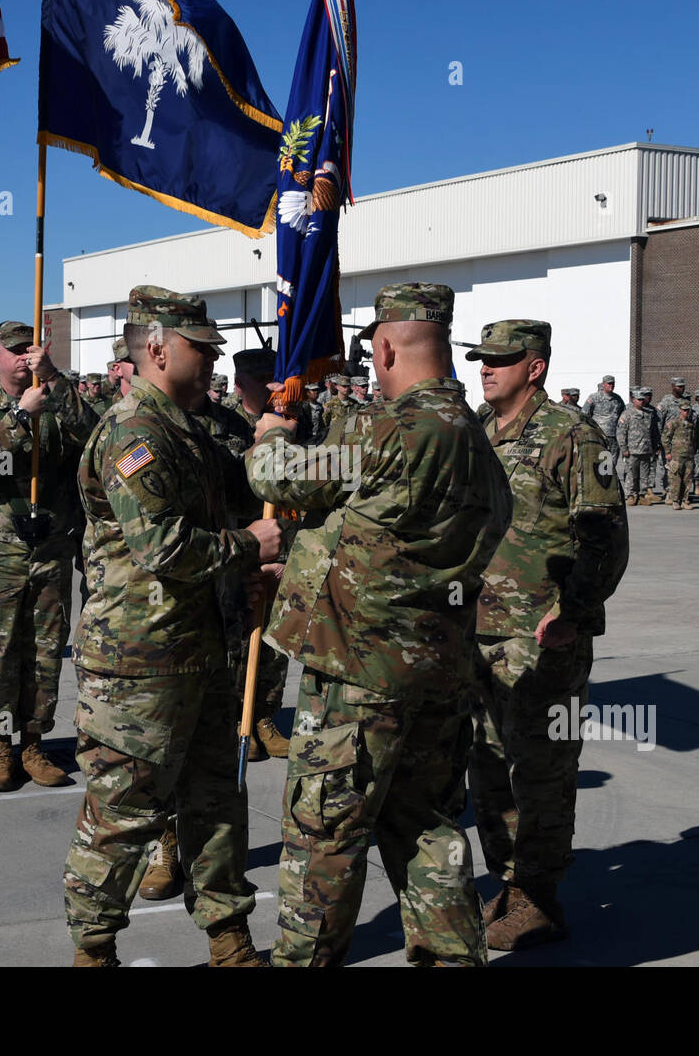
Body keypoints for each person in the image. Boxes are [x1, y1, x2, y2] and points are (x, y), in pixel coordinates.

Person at [246, 282, 511, 967]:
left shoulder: (400, 429)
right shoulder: (476, 439)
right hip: (437, 669)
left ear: (387, 346)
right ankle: (454, 955)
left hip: (360, 674)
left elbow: (283, 477)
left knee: (322, 831)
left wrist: (271, 433)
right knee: (426, 823)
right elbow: (399, 533)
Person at [64, 286, 282, 967]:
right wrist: (251, 545)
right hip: (139, 664)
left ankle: (229, 936)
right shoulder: (135, 432)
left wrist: (273, 437)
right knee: (122, 815)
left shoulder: (192, 428)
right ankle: (94, 948)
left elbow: (238, 496)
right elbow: (163, 546)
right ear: (157, 349)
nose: (214, 360)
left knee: (218, 805)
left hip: (204, 652)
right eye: (202, 347)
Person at [465, 320, 628, 950]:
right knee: (488, 768)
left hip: (542, 635)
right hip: (478, 631)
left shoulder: (573, 436)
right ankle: (506, 881)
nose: (487, 368)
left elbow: (605, 535)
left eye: (501, 360)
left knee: (543, 770)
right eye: (482, 359)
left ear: (535, 367)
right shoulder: (480, 428)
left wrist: (575, 613)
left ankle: (539, 895)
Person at [0, 321, 98, 792]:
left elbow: (96, 437)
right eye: (12, 351)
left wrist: (53, 380)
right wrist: (18, 415)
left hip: (51, 541)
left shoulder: (57, 399)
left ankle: (34, 742)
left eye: (29, 351)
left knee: (46, 649)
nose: (22, 358)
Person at [227, 347, 291, 760]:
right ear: (239, 384)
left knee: (274, 640)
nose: (270, 390)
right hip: (238, 543)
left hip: (279, 544)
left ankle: (265, 715)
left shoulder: (292, 422)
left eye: (274, 381)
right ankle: (239, 715)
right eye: (260, 382)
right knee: (236, 638)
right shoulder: (225, 425)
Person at [615, 386, 660, 505]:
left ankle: (642, 495)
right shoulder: (627, 414)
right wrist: (624, 448)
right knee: (631, 474)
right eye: (638, 399)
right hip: (632, 450)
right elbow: (621, 433)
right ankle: (631, 495)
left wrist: (656, 446)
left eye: (642, 399)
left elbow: (654, 432)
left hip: (646, 449)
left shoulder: (649, 414)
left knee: (644, 475)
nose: (641, 401)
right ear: (633, 400)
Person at [663, 398, 699, 509]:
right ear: (679, 410)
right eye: (684, 410)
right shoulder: (673, 423)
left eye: (688, 410)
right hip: (676, 456)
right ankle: (675, 501)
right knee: (675, 479)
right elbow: (665, 438)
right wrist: (667, 452)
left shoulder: (691, 425)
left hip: (688, 456)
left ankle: (685, 500)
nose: (686, 412)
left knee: (687, 479)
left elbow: (693, 439)